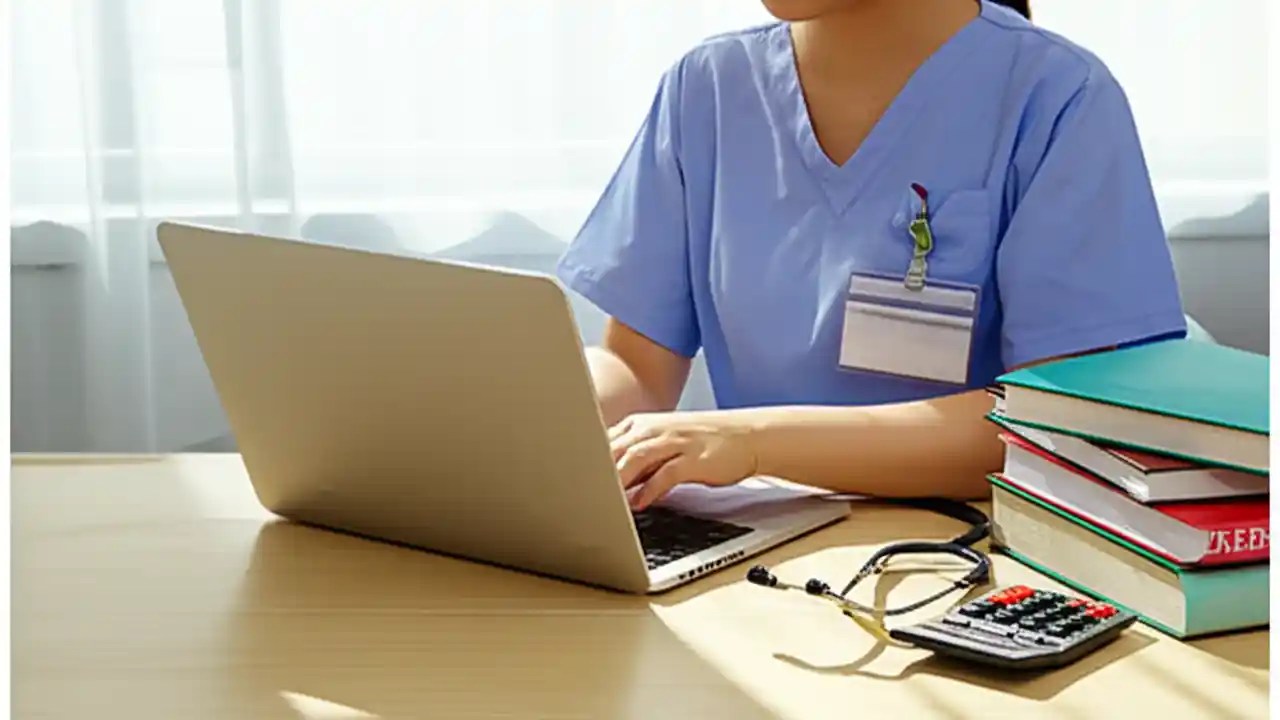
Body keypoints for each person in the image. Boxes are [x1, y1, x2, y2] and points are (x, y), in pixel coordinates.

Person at [555, 0, 1186, 511]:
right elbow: (635, 370)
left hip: (959, 564)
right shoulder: (707, 89)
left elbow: (1057, 427)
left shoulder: (1058, 98)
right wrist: (525, 423)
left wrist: (751, 444)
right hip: (752, 561)